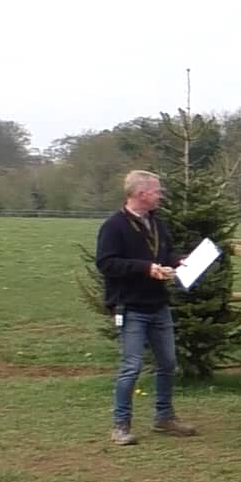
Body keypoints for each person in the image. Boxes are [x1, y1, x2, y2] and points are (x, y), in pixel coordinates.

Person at [95, 169, 199, 445]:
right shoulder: (114, 226)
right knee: (132, 367)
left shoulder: (157, 224)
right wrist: (146, 269)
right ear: (141, 194)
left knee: (168, 363)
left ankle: (164, 417)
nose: (161, 195)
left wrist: (179, 262)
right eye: (157, 191)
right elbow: (106, 263)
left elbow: (163, 255)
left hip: (158, 306)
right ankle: (121, 425)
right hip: (131, 308)